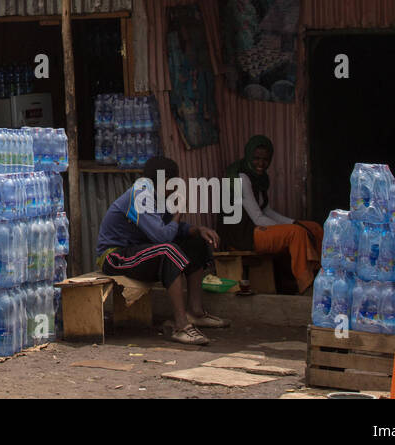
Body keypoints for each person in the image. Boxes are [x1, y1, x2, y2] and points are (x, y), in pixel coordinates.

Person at [95, 156, 227, 345]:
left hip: (138, 250)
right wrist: (179, 213)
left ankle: (195, 313)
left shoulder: (156, 196)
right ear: (166, 181)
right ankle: (181, 326)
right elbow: (162, 237)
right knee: (168, 250)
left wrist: (197, 230)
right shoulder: (141, 195)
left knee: (196, 242)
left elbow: (171, 228)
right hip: (115, 256)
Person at [221, 135, 323, 293]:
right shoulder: (241, 178)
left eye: (265, 159)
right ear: (248, 156)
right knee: (296, 233)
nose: (261, 163)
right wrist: (290, 228)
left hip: (255, 227)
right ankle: (306, 285)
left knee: (314, 227)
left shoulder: (259, 179)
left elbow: (266, 210)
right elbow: (257, 217)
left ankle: (322, 277)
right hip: (242, 235)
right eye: (256, 158)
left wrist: (294, 222)